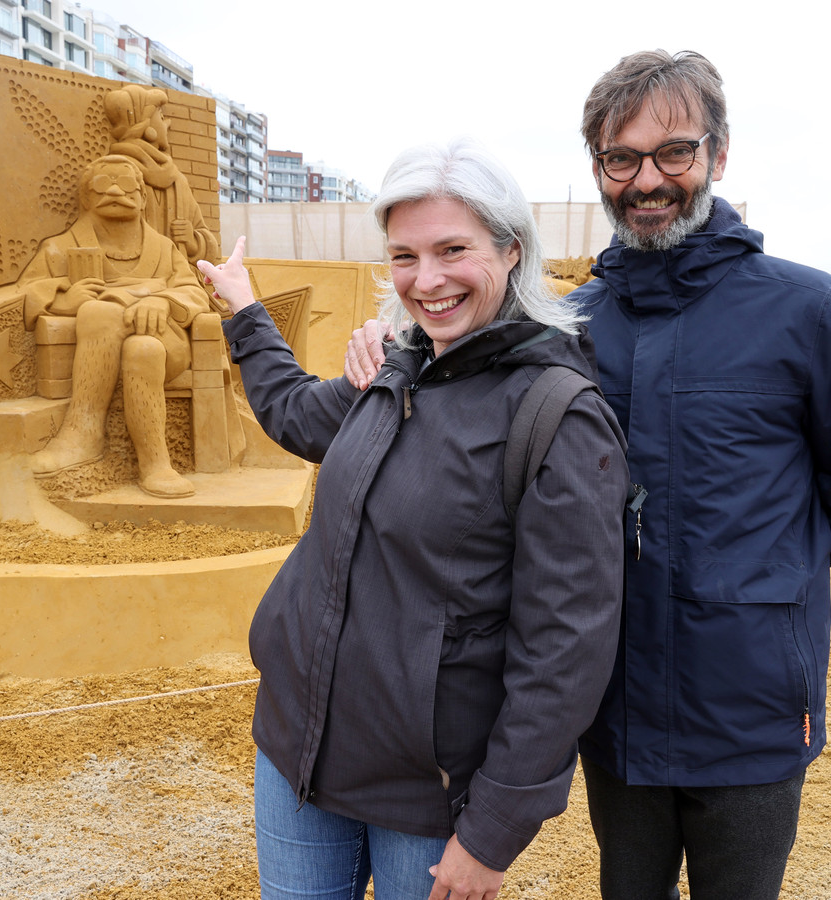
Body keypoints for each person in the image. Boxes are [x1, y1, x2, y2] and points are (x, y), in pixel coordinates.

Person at [345, 51, 831, 900]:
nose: (648, 180)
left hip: (750, 707)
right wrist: (385, 350)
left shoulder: (810, 311)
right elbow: (452, 360)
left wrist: (757, 574)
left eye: (673, 153)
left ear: (718, 156)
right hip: (615, 707)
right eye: (621, 159)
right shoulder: (569, 324)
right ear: (599, 171)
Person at [198, 139, 628, 900]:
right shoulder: (397, 368)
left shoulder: (557, 414)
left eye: (452, 249)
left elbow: (565, 650)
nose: (426, 281)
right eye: (404, 255)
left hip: (428, 796)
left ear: (511, 250)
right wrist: (245, 310)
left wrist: (493, 833)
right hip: (298, 747)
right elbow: (296, 414)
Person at [21, 154, 210, 498]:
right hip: (141, 346)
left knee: (101, 313)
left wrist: (162, 300)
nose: (114, 192)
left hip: (167, 338)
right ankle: (152, 462)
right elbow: (26, 291)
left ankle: (83, 432)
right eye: (102, 185)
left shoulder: (165, 249)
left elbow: (195, 292)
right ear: (86, 197)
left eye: (125, 185)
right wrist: (64, 295)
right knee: (141, 349)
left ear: (142, 197)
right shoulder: (61, 248)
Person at [105, 84, 221, 270]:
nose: (167, 123)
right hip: (137, 281)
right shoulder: (118, 172)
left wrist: (192, 240)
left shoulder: (176, 180)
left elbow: (208, 242)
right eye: (161, 116)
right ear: (147, 126)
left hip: (179, 281)